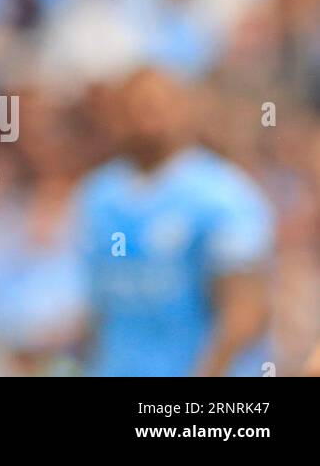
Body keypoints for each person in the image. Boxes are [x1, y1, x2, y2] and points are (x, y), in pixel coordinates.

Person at [70, 66, 274, 376]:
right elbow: (97, 308)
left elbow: (244, 310)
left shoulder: (223, 196)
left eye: (154, 107)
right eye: (132, 109)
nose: (144, 120)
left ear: (184, 110)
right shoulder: (98, 196)